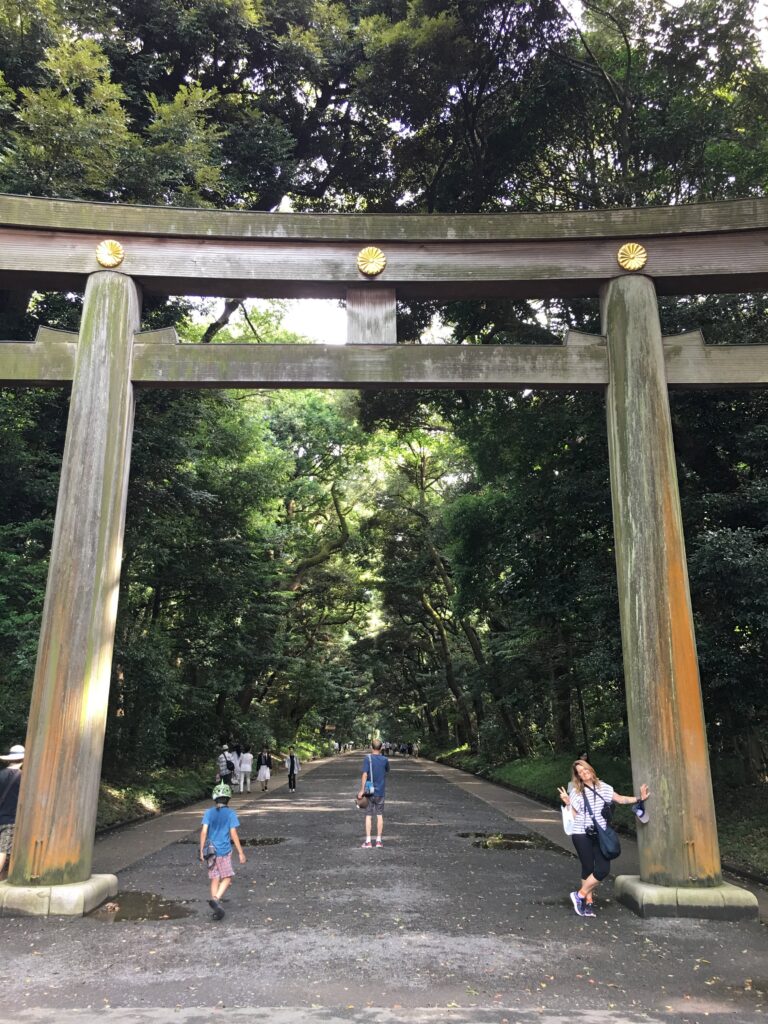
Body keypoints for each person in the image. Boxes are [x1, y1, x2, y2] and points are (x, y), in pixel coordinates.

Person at [558, 758, 650, 918]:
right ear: (578, 776)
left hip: (599, 833)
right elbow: (574, 816)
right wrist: (568, 803)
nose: (583, 773)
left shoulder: (604, 787)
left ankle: (578, 895)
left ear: (591, 770)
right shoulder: (576, 791)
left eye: (585, 770)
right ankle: (587, 903)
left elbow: (620, 799)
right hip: (581, 833)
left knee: (602, 869)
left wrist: (639, 799)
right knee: (587, 868)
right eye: (580, 772)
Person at [200, 782, 246, 920]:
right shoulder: (231, 814)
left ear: (215, 798)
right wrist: (241, 852)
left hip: (210, 850)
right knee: (227, 877)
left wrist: (201, 850)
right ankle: (216, 899)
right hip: (224, 851)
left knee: (215, 878)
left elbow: (203, 832)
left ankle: (216, 908)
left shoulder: (208, 812)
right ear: (228, 798)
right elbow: (234, 834)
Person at [357, 738, 389, 849]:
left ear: (372, 747)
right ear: (381, 748)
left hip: (369, 792)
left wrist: (362, 790)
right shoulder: (385, 759)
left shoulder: (368, 758)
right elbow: (386, 771)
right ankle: (379, 841)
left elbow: (364, 774)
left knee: (368, 816)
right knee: (380, 815)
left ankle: (368, 841)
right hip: (380, 792)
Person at [0, 743, 24, 879]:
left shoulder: (1, 775)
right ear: (22, 760)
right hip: (10, 820)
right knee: (3, 851)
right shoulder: (23, 777)